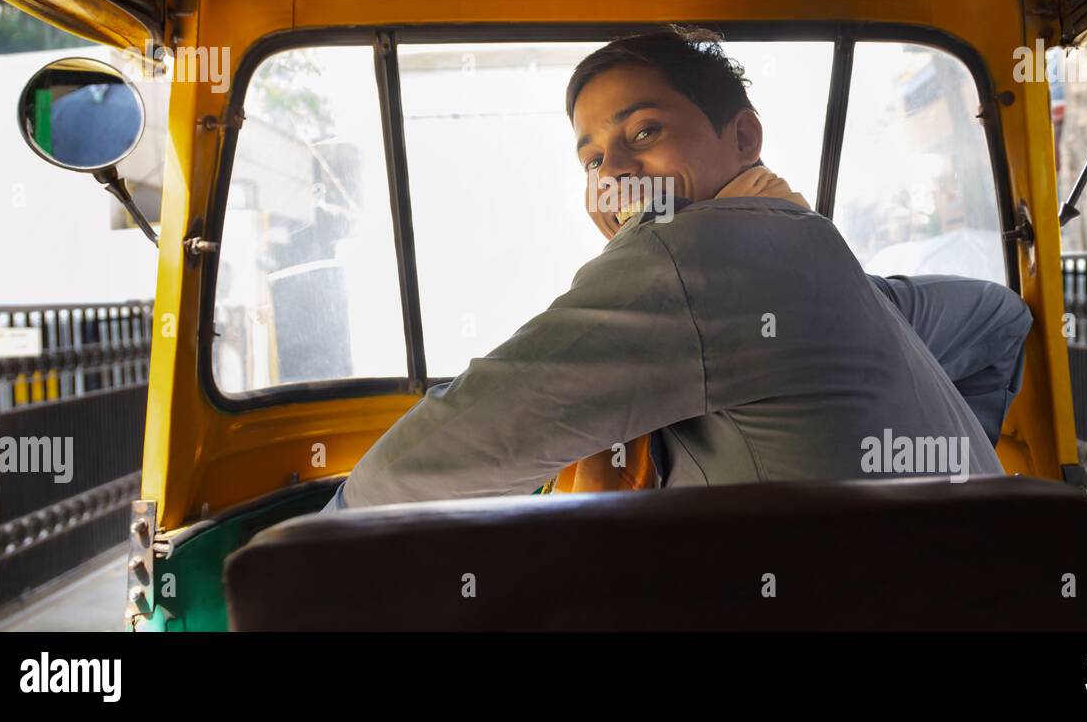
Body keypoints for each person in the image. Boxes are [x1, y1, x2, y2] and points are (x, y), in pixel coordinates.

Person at [323, 26, 1030, 510]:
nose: (616, 169)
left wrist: (305, 546)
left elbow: (458, 444)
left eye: (644, 131)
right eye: (593, 158)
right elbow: (1003, 318)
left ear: (743, 136)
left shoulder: (693, 256)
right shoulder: (830, 269)